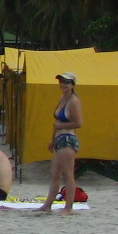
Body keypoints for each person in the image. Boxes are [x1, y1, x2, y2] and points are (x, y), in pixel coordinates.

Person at [35, 72, 83, 215]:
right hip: (59, 138)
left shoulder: (74, 101)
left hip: (68, 139)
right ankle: (47, 205)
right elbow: (56, 123)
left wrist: (60, 127)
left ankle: (68, 207)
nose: (63, 84)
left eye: (66, 82)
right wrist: (52, 138)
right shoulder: (62, 98)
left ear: (73, 85)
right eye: (61, 81)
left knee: (68, 174)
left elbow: (79, 123)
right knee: (54, 174)